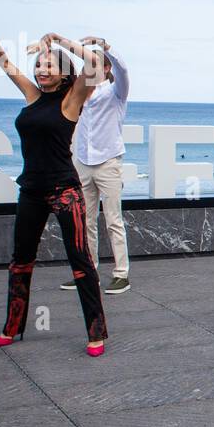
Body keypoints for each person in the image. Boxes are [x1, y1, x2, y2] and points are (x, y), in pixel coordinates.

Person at [0, 30, 109, 356]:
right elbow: (4, 62)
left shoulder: (73, 98)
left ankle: (96, 333)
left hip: (65, 191)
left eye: (49, 65)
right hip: (30, 190)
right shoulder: (31, 95)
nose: (41, 69)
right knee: (20, 262)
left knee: (81, 262)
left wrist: (59, 42)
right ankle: (11, 327)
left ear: (63, 72)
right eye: (39, 64)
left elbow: (94, 63)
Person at [63, 36, 131, 295]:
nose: (88, 69)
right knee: (86, 221)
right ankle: (88, 272)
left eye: (95, 65)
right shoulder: (79, 95)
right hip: (82, 163)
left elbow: (123, 69)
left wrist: (106, 47)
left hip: (108, 162)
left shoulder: (116, 93)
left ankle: (121, 274)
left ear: (105, 69)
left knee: (113, 219)